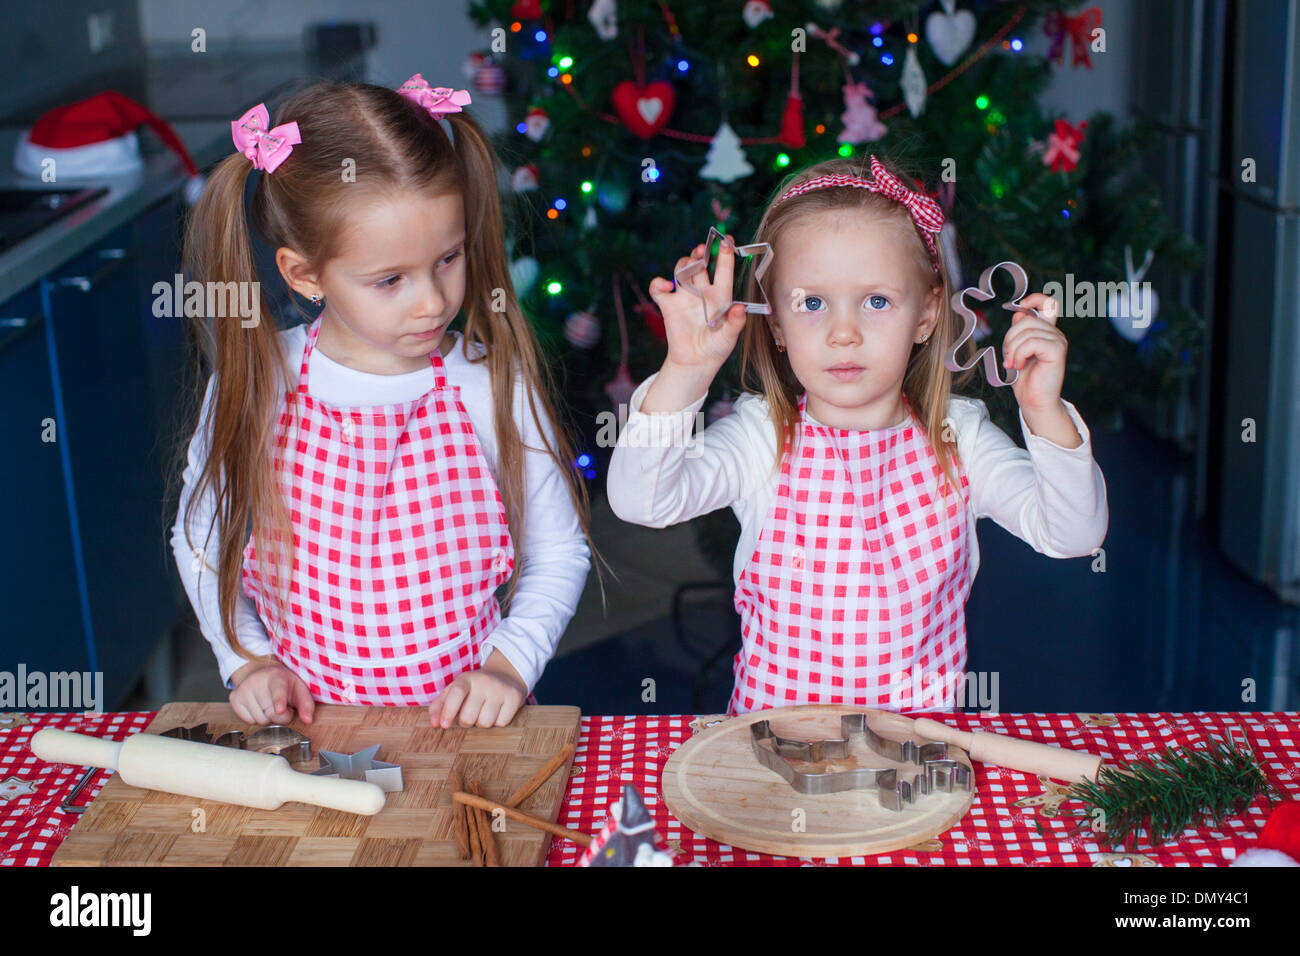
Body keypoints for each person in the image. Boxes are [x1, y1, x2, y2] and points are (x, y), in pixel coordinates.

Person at [607, 155, 1108, 715]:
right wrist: (687, 370)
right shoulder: (760, 438)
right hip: (774, 766)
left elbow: (1074, 534)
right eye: (811, 303)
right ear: (776, 322)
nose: (844, 333)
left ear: (925, 314)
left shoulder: (958, 439)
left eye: (876, 301)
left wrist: (1042, 410)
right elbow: (640, 501)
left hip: (913, 775)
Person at [170, 76, 592, 729]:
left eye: (448, 258)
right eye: (390, 279)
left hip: (464, 732)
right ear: (304, 274)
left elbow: (559, 552)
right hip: (312, 729)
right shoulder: (261, 384)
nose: (432, 300)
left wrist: (509, 666)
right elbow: (199, 536)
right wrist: (247, 659)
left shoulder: (487, 383)